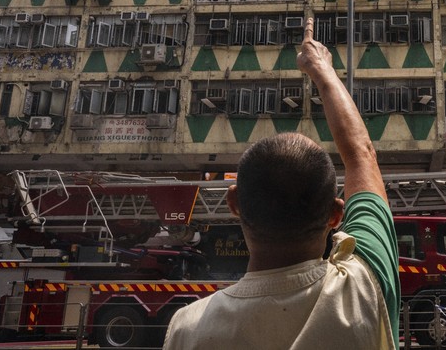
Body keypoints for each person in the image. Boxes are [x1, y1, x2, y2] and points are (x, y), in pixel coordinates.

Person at [164, 18, 400, 350]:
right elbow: (361, 156)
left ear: (235, 203)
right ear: (335, 215)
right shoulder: (363, 287)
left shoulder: (186, 330)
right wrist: (321, 70)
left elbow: (361, 157)